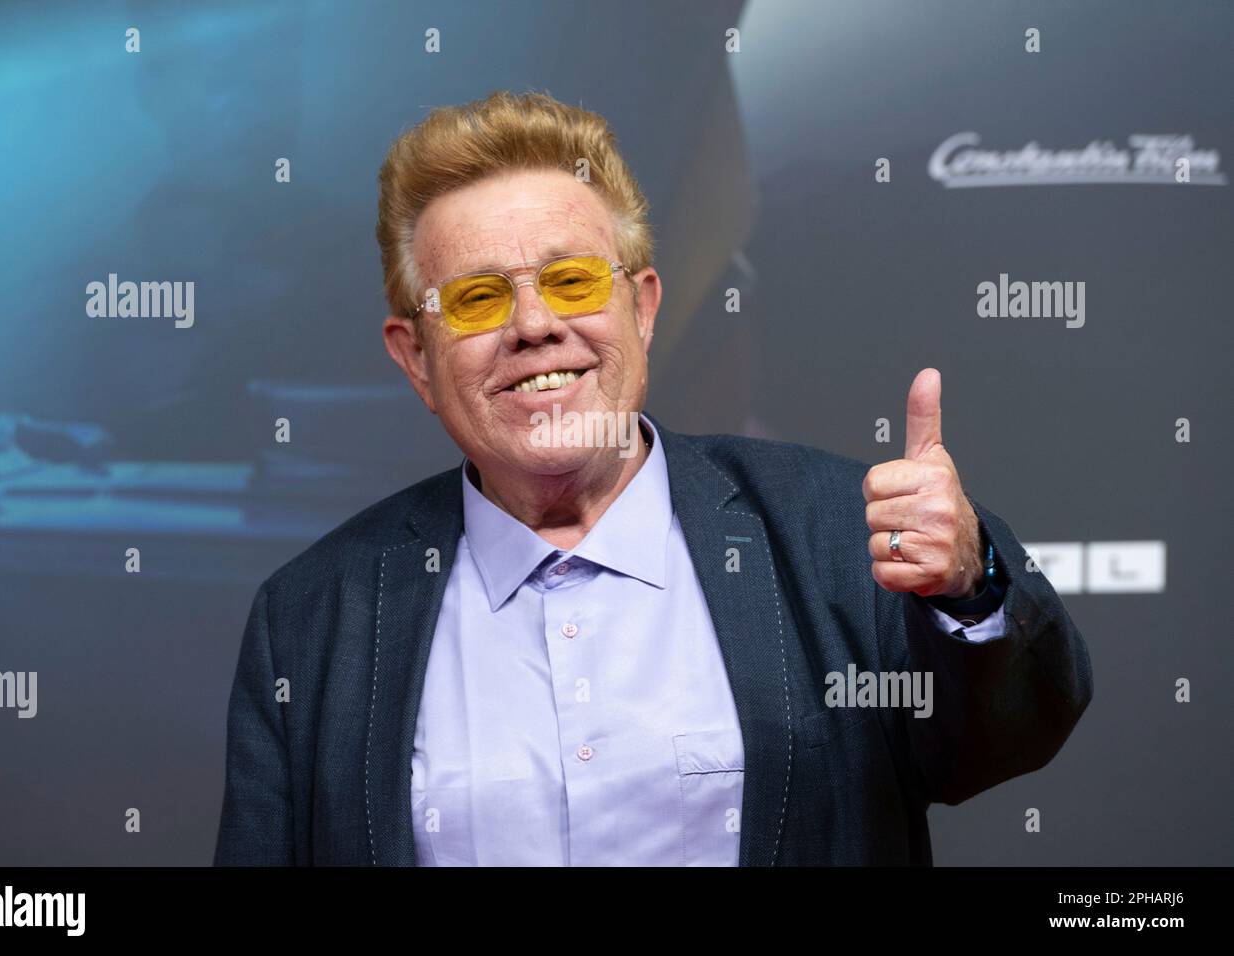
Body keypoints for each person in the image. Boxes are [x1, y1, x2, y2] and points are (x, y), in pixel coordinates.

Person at [214, 91, 1092, 866]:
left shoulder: (838, 535)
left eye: (570, 280)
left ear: (641, 307)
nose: (533, 325)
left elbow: (1006, 735)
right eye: (478, 299)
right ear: (415, 358)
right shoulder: (309, 621)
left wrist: (968, 592)